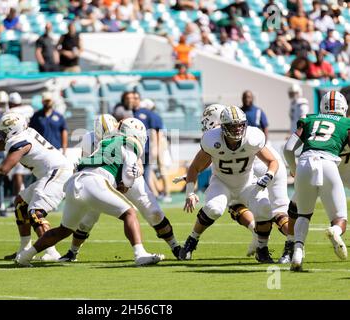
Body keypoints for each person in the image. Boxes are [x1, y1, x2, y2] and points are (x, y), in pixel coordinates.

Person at [15, 118, 164, 267]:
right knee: (130, 212)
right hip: (94, 182)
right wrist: (126, 185)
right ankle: (140, 254)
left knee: (64, 230)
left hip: (75, 182)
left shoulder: (104, 142)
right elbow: (128, 176)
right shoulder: (130, 144)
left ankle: (26, 256)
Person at [59, 114, 180, 262]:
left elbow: (138, 165)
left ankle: (175, 247)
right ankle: (72, 252)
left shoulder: (125, 139)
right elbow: (87, 162)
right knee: (88, 217)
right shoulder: (89, 139)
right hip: (103, 177)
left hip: (130, 176)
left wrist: (134, 174)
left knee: (152, 211)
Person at [180, 106, 280, 263]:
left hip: (247, 182)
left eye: (240, 124)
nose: (238, 128)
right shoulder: (212, 140)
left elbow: (272, 161)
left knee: (265, 208)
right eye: (233, 125)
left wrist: (269, 174)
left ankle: (262, 249)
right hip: (222, 183)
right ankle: (191, 241)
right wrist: (190, 192)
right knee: (214, 209)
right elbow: (194, 167)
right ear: (224, 126)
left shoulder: (252, 138)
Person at [0, 113, 73, 262]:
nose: (1, 135)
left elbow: (3, 170)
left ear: (13, 130)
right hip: (54, 172)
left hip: (57, 173)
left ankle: (51, 251)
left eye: (4, 132)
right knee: (21, 204)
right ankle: (25, 249)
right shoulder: (25, 133)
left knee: (35, 212)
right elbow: (0, 144)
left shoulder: (20, 142)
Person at [284, 91, 350, 271]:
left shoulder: (309, 119)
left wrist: (295, 170)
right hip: (329, 164)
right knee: (339, 218)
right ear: (344, 107)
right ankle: (335, 232)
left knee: (303, 214)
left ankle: (297, 252)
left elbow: (288, 149)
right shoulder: (346, 122)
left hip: (305, 162)